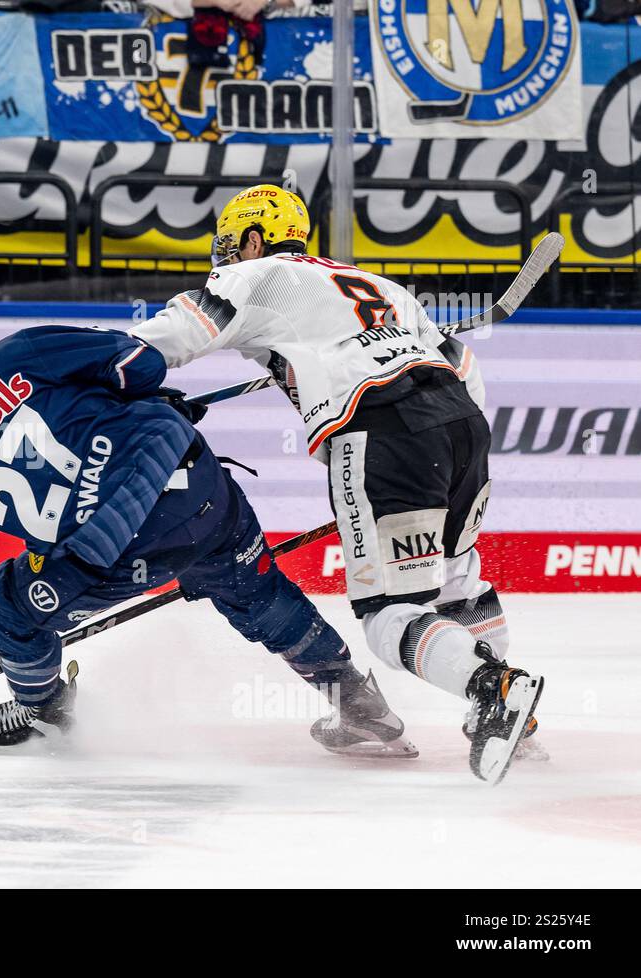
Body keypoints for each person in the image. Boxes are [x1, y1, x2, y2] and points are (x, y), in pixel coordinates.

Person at [127, 183, 544, 784]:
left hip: (381, 430)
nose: (222, 259)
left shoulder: (255, 276)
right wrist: (429, 465)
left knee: (386, 616)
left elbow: (172, 336)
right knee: (458, 579)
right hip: (461, 423)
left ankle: (493, 690)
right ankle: (514, 716)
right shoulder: (377, 285)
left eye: (227, 245)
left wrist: (91, 365)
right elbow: (464, 368)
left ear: (252, 238)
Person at [0, 329, 416, 757]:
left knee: (4, 607)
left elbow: (57, 536)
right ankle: (358, 705)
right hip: (196, 489)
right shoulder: (19, 351)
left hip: (126, 554)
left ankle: (42, 707)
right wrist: (155, 404)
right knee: (257, 593)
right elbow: (139, 363)